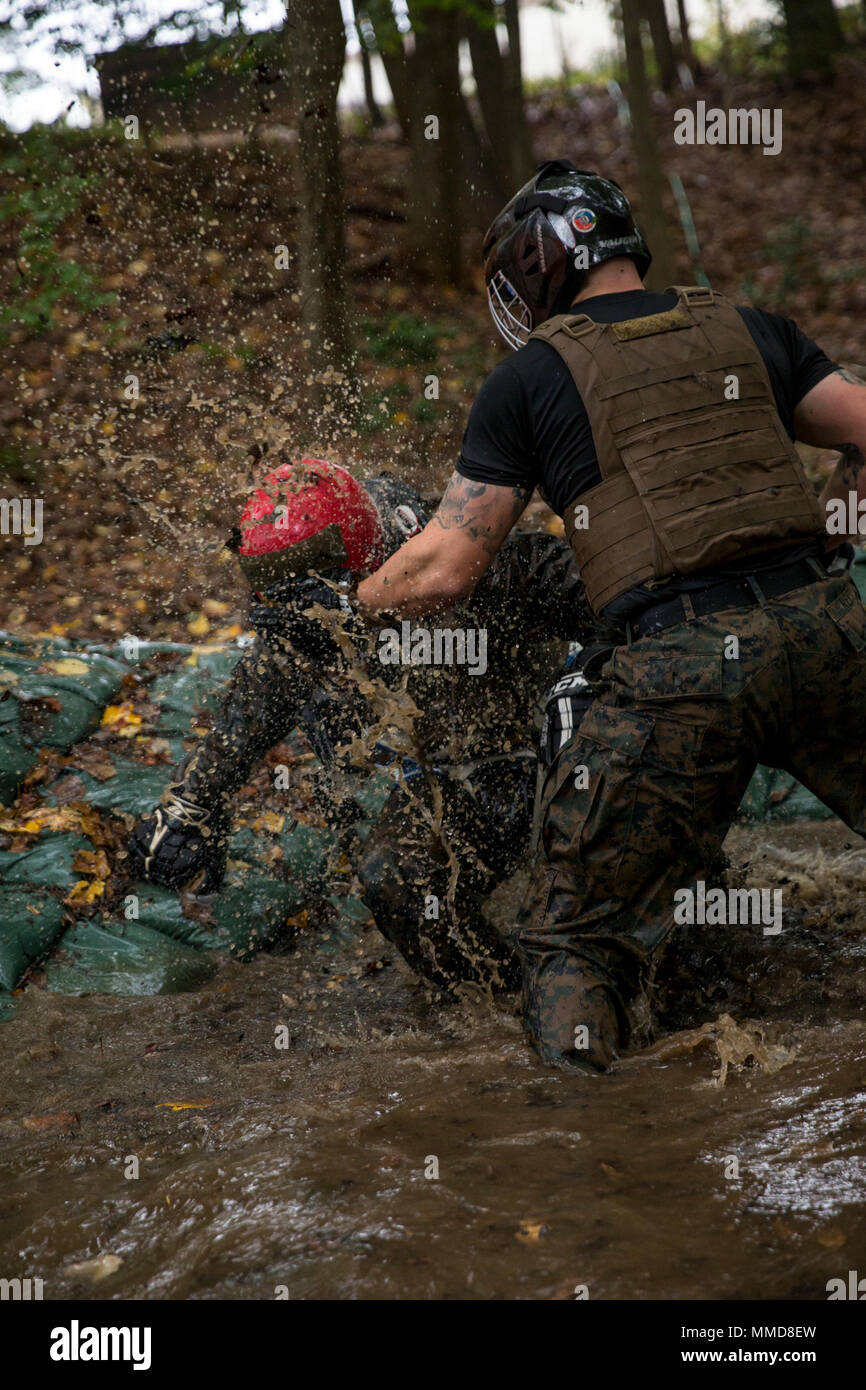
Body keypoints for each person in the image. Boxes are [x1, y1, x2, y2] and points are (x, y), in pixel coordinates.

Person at [354, 158, 866, 1072]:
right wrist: (832, 532)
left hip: (678, 672)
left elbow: (445, 569)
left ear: (544, 260)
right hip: (829, 631)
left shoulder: (531, 379)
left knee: (575, 940)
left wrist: (353, 602)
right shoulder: (749, 327)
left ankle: (588, 1161)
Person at [128, 456, 602, 994]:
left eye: (309, 570)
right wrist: (195, 801)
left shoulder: (455, 557)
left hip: (542, 745)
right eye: (267, 578)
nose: (288, 591)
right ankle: (508, 1002)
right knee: (394, 877)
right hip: (458, 775)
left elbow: (607, 594)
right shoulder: (306, 595)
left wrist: (597, 679)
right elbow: (270, 679)